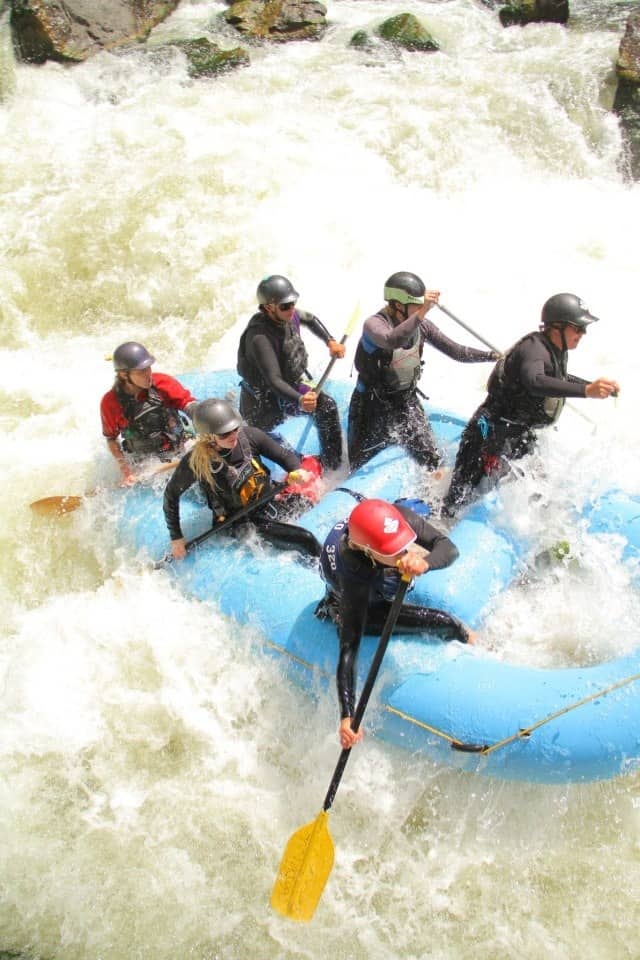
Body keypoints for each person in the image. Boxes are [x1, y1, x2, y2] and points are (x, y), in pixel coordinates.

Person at [442, 292, 621, 516]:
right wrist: (586, 391)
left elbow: (557, 379)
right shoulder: (533, 348)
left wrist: (594, 386)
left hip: (519, 434)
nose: (582, 334)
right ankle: (440, 528)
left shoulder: (556, 349)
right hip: (491, 434)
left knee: (539, 486)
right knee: (464, 496)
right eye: (578, 328)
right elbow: (536, 381)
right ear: (557, 327)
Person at [316, 497, 474, 749]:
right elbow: (349, 647)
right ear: (369, 552)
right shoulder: (356, 579)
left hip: (373, 563)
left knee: (415, 529)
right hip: (355, 602)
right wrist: (347, 716)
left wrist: (426, 562)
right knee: (447, 623)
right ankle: (472, 639)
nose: (406, 551)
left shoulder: (397, 516)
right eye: (395, 550)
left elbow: (449, 548)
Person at [347, 271, 499, 471]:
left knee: (433, 461)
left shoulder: (422, 326)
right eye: (417, 306)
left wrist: (490, 356)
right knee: (358, 465)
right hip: (370, 403)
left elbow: (456, 351)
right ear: (398, 305)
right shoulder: (374, 325)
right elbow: (392, 340)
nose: (422, 310)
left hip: (404, 401)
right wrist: (421, 313)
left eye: (421, 306)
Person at [163, 398, 322, 561]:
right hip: (240, 521)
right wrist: (176, 538)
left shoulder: (250, 435)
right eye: (224, 433)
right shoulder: (195, 463)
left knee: (308, 502)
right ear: (208, 436)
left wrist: (296, 470)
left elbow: (284, 455)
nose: (233, 436)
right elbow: (171, 495)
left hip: (268, 501)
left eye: (234, 428)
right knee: (306, 539)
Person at [237, 275, 346, 471]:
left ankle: (332, 465)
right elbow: (273, 380)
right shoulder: (259, 337)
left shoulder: (289, 314)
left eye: (293, 303)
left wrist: (330, 340)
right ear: (269, 307)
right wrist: (300, 400)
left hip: (288, 386)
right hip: (263, 402)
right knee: (272, 446)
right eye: (285, 306)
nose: (291, 309)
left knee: (327, 406)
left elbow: (311, 320)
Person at [100, 341, 197, 485]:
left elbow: (189, 405)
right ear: (123, 375)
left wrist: (207, 424)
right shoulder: (110, 404)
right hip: (148, 462)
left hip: (181, 445)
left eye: (148, 368)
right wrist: (126, 471)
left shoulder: (162, 382)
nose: (148, 375)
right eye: (141, 372)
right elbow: (111, 439)